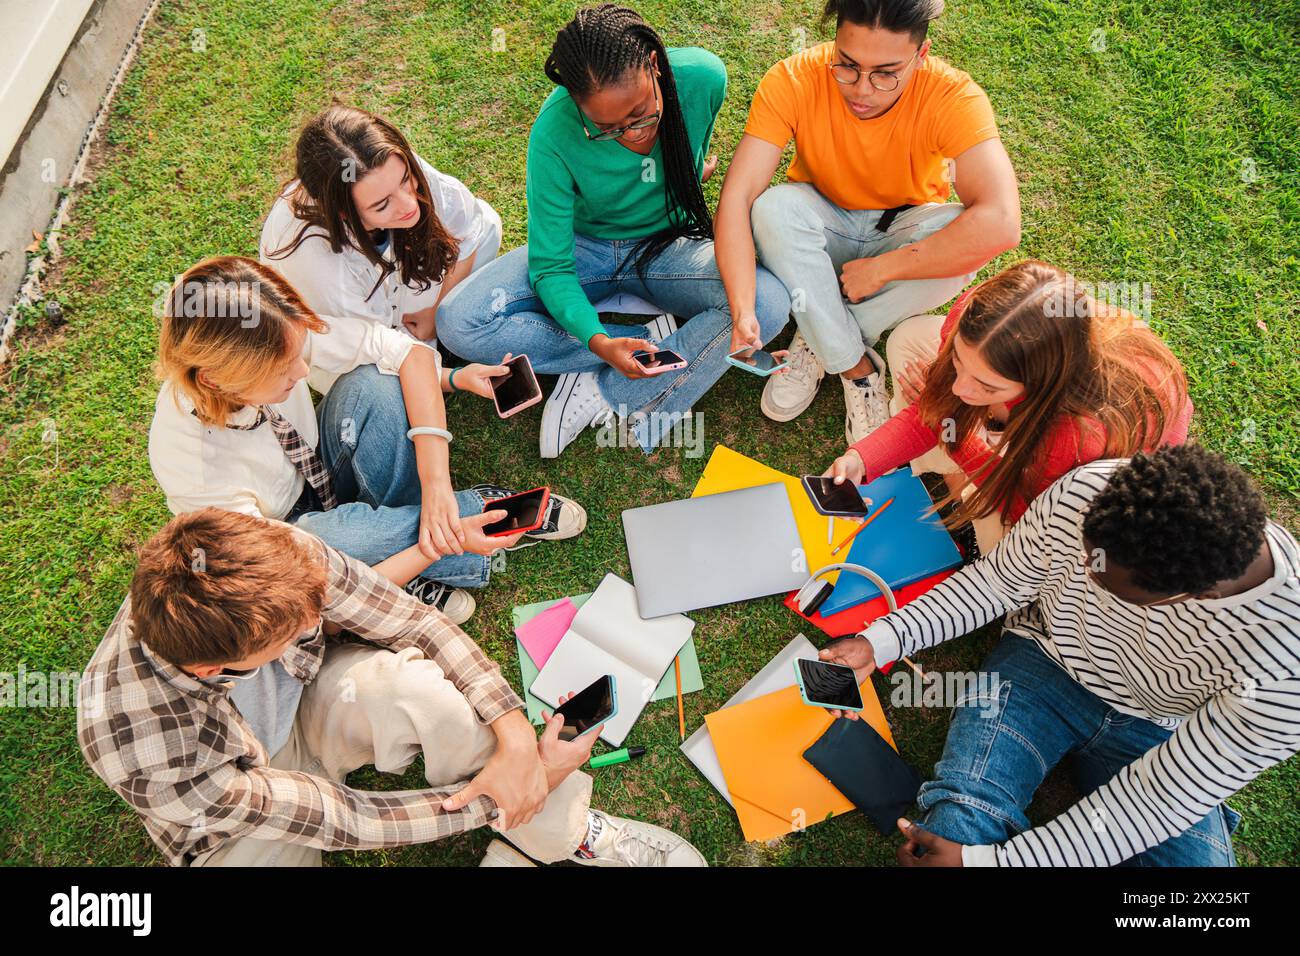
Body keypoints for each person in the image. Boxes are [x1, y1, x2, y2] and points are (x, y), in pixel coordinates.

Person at [77, 508, 707, 867]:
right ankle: (522, 809)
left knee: (425, 695)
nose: (319, 617)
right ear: (218, 669)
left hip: (307, 701)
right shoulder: (142, 747)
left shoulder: (259, 552)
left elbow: (411, 619)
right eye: (295, 629)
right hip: (237, 827)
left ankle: (565, 835)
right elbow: (345, 820)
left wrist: (517, 738)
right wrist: (504, 795)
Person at [822, 445, 1300, 866]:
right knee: (953, 830)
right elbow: (999, 582)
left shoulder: (1285, 668)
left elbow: (1157, 800)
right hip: (1039, 665)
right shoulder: (1092, 490)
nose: (1081, 572)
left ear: (1195, 595)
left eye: (1107, 583)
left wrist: (992, 863)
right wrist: (882, 640)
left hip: (1158, 734)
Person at [148, 256, 586, 625]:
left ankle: (411, 540)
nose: (304, 372)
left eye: (299, 354)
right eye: (283, 370)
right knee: (322, 551)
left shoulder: (270, 328)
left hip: (321, 455)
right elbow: (291, 586)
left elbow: (406, 353)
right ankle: (473, 519)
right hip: (286, 535)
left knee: (374, 382)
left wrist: (438, 476)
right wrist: (433, 543)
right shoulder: (195, 469)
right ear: (215, 380)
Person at [437, 3, 791, 457]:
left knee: (768, 302)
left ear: (655, 65)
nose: (632, 134)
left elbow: (689, 153)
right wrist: (598, 340)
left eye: (641, 114)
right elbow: (551, 268)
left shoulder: (702, 79)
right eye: (606, 129)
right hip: (585, 249)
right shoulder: (553, 132)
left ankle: (608, 390)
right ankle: (644, 349)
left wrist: (690, 173)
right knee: (460, 322)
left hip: (668, 246)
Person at [716, 0, 1020, 442]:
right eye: (847, 65)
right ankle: (856, 366)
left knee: (963, 242)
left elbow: (1002, 222)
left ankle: (819, 332)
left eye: (886, 73)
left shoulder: (954, 96)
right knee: (772, 208)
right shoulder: (793, 78)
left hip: (900, 231)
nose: (861, 89)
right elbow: (737, 196)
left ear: (921, 54)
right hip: (819, 221)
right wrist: (743, 308)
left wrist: (882, 269)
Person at [821, 261, 1192, 556]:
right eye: (959, 360)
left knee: (1003, 541)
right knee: (909, 341)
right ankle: (960, 479)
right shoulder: (981, 316)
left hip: (1067, 499)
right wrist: (861, 459)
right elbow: (936, 408)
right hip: (1016, 423)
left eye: (986, 385)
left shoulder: (1077, 436)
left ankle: (966, 494)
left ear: (1038, 384)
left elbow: (1027, 509)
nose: (959, 387)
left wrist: (958, 438)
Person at [261, 104, 504, 395]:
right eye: (382, 204)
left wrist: (435, 312)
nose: (409, 204)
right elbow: (373, 346)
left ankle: (429, 343)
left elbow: (472, 228)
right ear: (343, 213)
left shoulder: (380, 167)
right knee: (377, 387)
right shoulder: (317, 262)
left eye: (406, 179)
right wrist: (453, 378)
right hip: (349, 341)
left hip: (396, 294)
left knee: (489, 226)